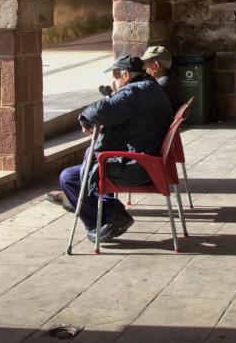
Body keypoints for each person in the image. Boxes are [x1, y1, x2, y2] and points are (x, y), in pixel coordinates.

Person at [48, 55, 173, 243]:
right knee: (91, 159)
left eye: (115, 75)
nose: (113, 80)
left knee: (69, 177)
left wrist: (84, 118)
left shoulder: (133, 94)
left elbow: (99, 110)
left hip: (138, 168)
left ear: (126, 75)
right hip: (149, 162)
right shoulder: (151, 87)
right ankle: (100, 207)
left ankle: (105, 218)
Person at [142, 45, 184, 112]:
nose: (146, 70)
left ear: (156, 65)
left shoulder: (161, 86)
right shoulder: (171, 75)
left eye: (147, 66)